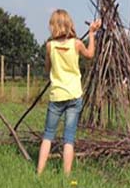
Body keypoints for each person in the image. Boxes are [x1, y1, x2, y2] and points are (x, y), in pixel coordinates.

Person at [36, 10, 101, 177]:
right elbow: (90, 55)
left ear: (53, 26)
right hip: (74, 95)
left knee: (48, 135)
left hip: (57, 95)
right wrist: (92, 34)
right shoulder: (77, 44)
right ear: (69, 24)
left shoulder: (50, 46)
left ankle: (39, 172)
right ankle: (66, 175)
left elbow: (47, 68)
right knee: (69, 137)